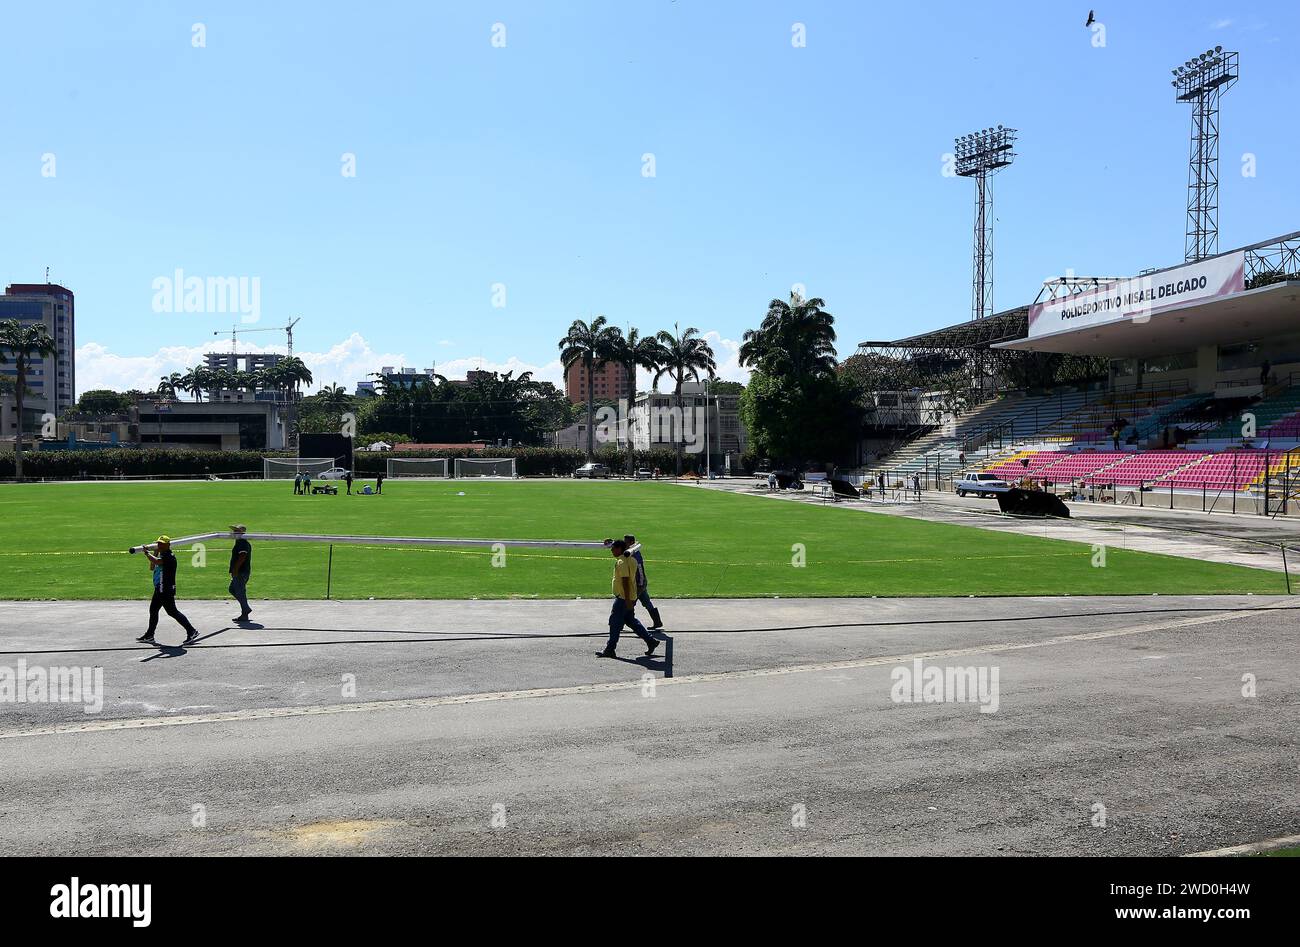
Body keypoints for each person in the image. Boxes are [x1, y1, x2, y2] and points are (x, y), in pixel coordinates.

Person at [597, 539, 658, 659]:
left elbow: (625, 581)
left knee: (614, 623)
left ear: (620, 549)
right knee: (630, 621)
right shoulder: (631, 559)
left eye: (613, 548)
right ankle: (650, 641)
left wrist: (628, 601)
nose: (611, 550)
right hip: (630, 597)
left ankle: (610, 649)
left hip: (623, 599)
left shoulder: (621, 562)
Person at [137, 536, 199, 645]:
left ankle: (191, 631)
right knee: (153, 610)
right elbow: (152, 567)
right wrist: (154, 552)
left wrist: (147, 553)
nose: (159, 545)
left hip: (165, 589)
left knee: (172, 611)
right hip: (160, 588)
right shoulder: (163, 554)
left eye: (161, 544)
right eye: (158, 543)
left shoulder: (168, 556)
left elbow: (156, 561)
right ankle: (150, 635)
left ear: (168, 545)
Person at [616, 534, 663, 630]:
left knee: (628, 603)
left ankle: (624, 624)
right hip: (640, 583)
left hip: (638, 584)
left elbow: (640, 571)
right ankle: (657, 622)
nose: (624, 544)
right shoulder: (632, 550)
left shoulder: (634, 555)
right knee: (646, 602)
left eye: (626, 542)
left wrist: (640, 585)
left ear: (631, 543)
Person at [228, 524, 253, 623]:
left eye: (236, 531)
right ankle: (245, 608)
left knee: (240, 592)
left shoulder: (242, 543)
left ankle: (245, 612)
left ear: (242, 533)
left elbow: (242, 556)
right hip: (241, 572)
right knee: (233, 589)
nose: (234, 533)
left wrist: (235, 570)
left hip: (240, 572)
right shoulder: (240, 542)